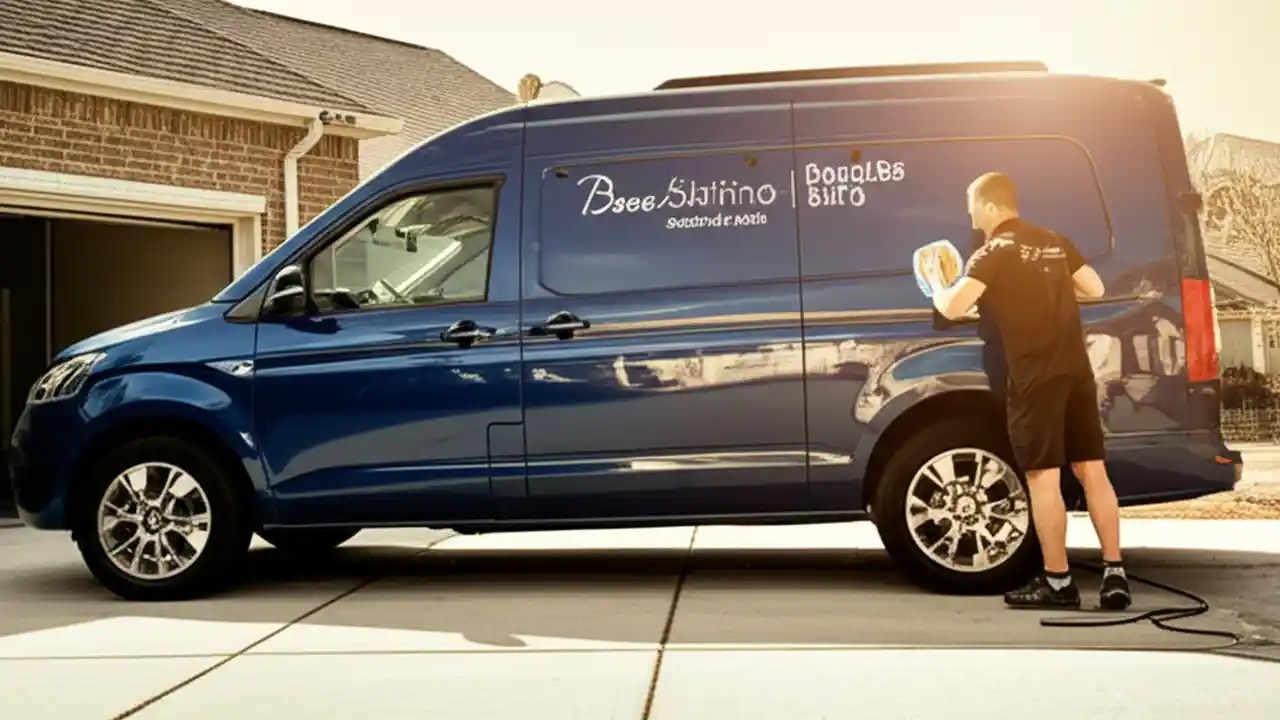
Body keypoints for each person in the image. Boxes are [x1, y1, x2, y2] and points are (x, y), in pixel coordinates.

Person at [920, 171, 1131, 610]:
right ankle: (1114, 575)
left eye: (974, 206)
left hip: (1034, 378)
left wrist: (939, 290)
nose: (971, 215)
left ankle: (1058, 583)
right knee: (1092, 470)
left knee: (1043, 476)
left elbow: (957, 305)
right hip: (1075, 369)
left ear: (993, 207)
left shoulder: (992, 252)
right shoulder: (1054, 240)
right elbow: (1095, 287)